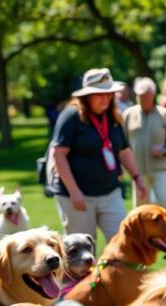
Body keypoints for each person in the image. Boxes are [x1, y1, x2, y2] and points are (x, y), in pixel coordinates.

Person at [52, 68, 146, 242]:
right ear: (86, 96)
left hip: (110, 192)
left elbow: (124, 151)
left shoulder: (114, 118)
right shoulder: (71, 116)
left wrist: (137, 177)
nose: (106, 98)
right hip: (78, 196)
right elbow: (58, 155)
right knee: (83, 251)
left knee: (126, 243)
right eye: (99, 94)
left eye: (109, 93)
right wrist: (74, 192)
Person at [124, 77, 166, 218]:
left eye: (145, 96)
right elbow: (122, 143)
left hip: (161, 168)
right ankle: (143, 239)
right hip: (138, 171)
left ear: (153, 95)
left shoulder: (164, 114)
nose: (142, 99)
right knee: (140, 209)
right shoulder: (128, 114)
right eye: (139, 96)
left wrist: (165, 149)